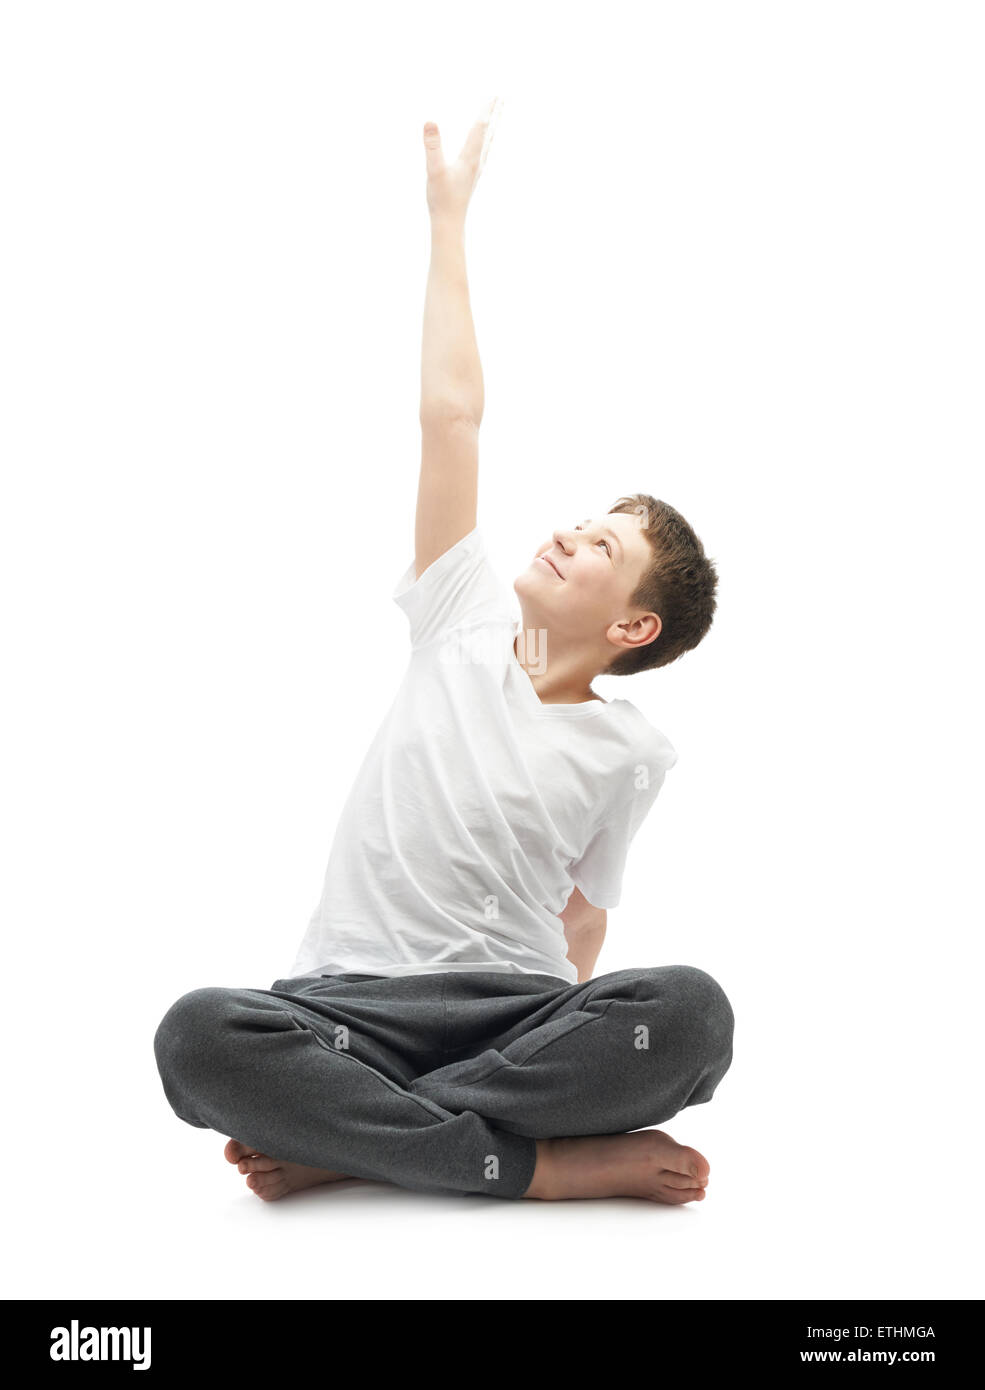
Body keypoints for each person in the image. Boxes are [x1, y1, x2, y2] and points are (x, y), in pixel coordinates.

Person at [153, 99, 734, 1204]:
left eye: (600, 544)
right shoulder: (459, 613)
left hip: (515, 1010)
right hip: (342, 1010)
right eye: (580, 518)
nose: (565, 532)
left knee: (695, 1018)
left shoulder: (633, 751)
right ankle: (529, 1165)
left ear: (630, 628)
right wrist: (448, 222)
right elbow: (451, 419)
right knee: (199, 1039)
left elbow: (585, 918)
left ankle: (354, 1141)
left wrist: (585, 1034)